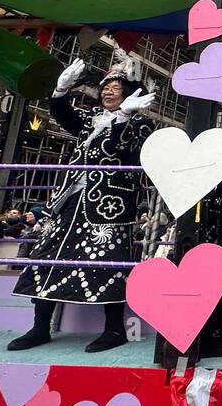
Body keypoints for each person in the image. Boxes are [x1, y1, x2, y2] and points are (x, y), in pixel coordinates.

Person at [8, 54, 155, 353]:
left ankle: (115, 329)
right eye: (105, 88)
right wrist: (61, 91)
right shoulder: (92, 119)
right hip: (70, 199)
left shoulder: (141, 124)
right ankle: (40, 327)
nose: (108, 92)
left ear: (130, 93)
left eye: (116, 88)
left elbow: (120, 150)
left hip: (109, 205)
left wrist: (123, 117)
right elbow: (65, 117)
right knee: (48, 258)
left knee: (107, 263)